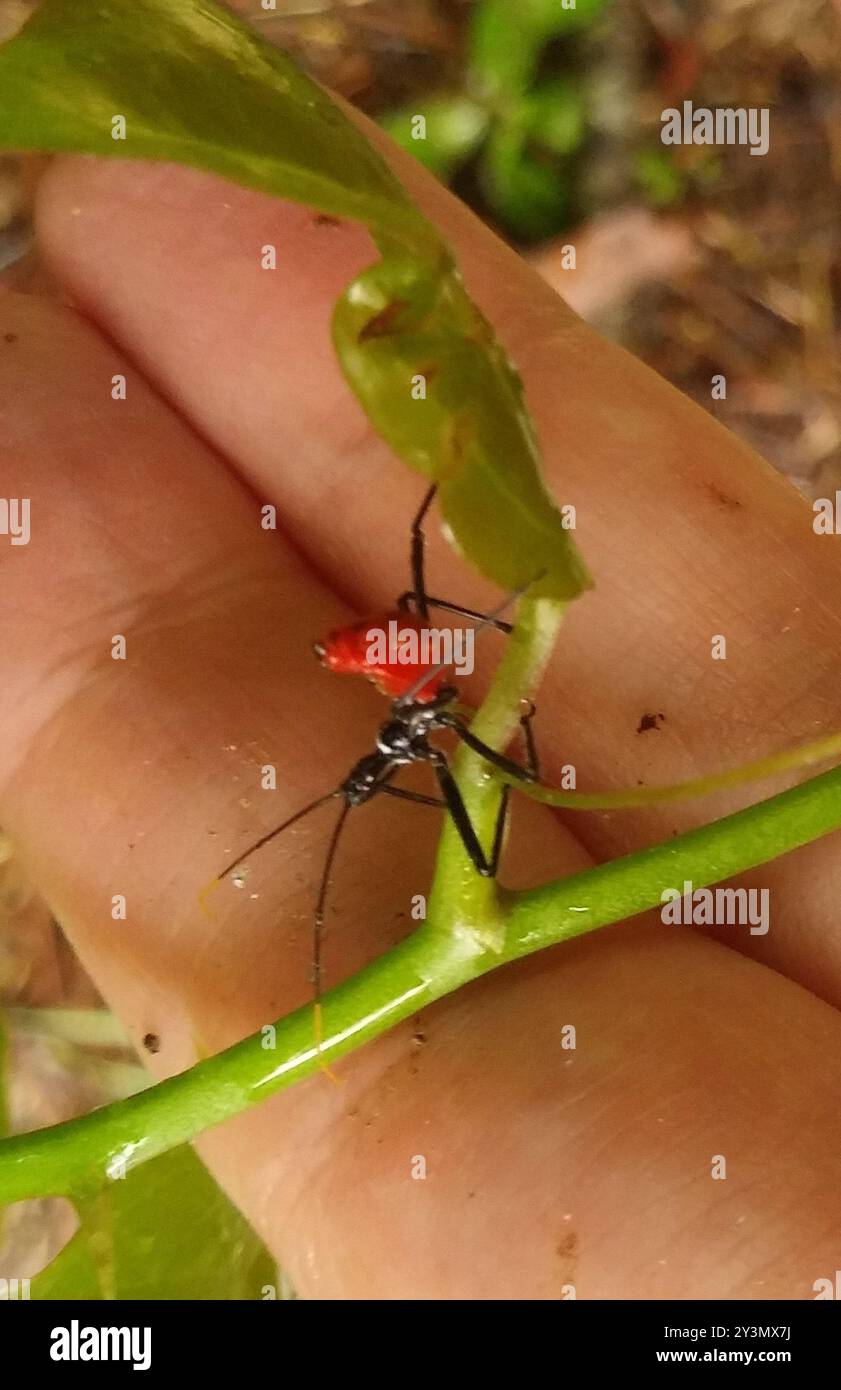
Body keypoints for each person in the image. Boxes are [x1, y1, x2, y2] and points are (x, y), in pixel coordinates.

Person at [2, 130, 840, 1299]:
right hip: (420, 686)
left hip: (418, 680)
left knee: (427, 630)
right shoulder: (422, 742)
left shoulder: (422, 727)